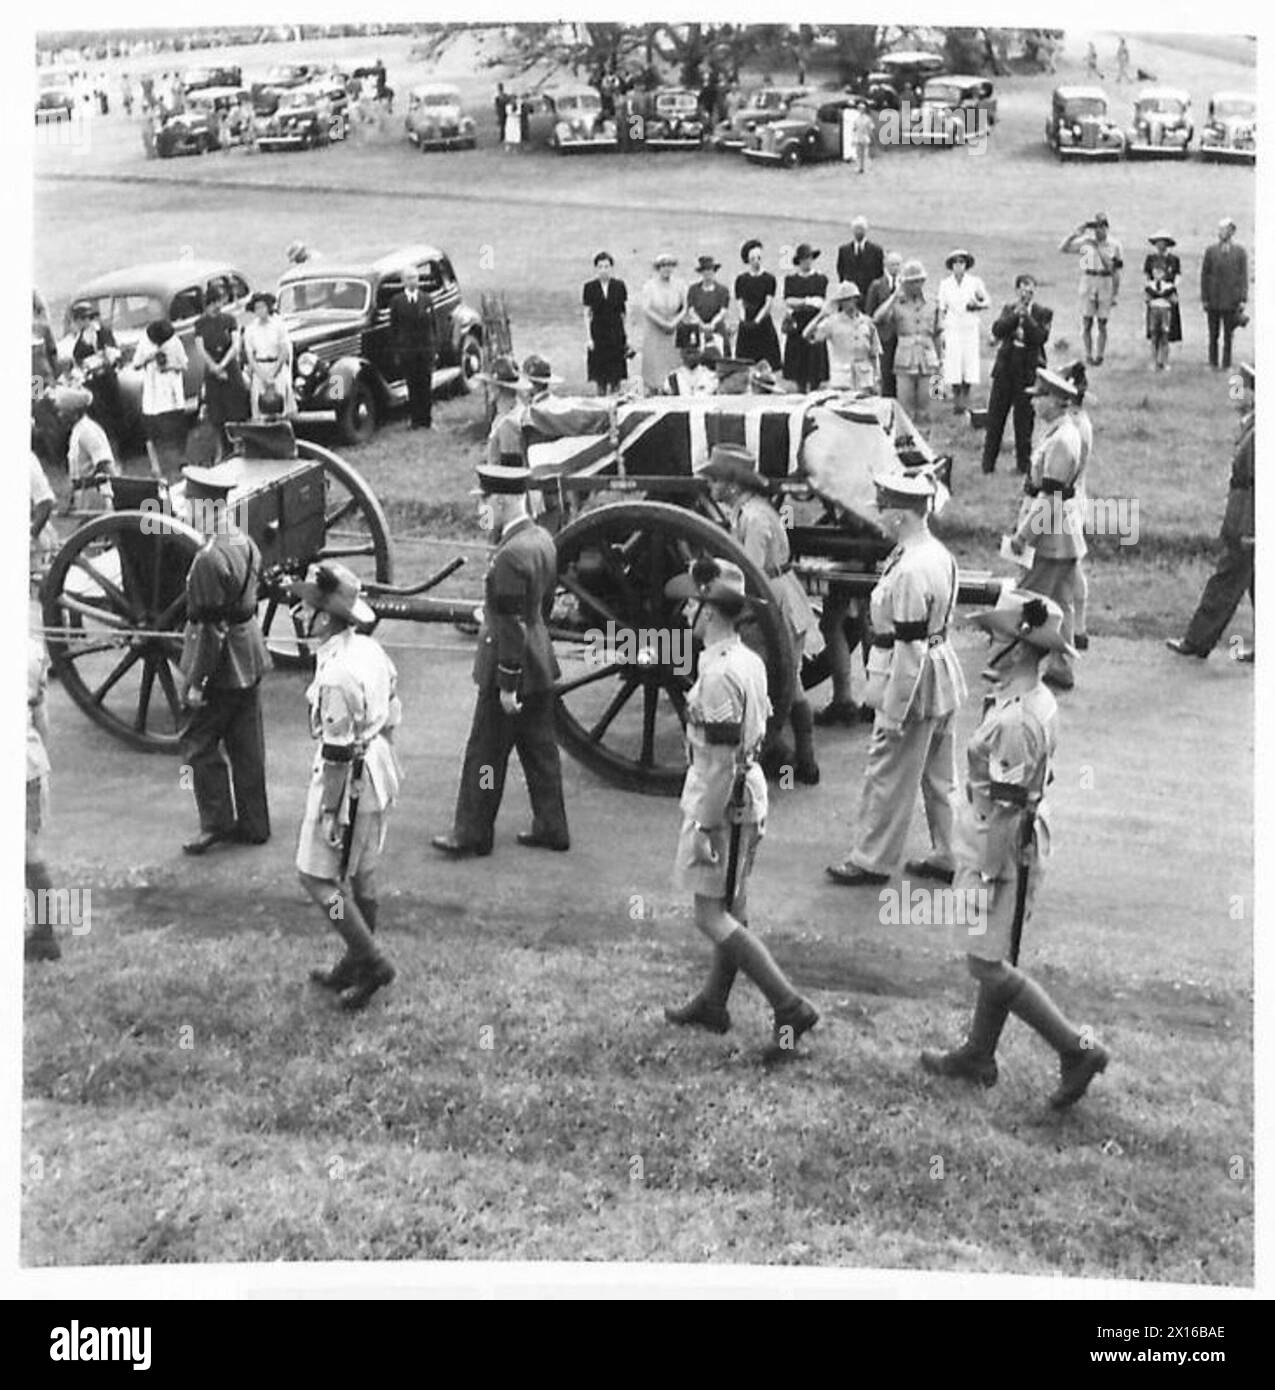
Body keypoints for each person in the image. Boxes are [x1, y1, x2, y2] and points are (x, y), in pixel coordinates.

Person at [920, 589, 1109, 1110]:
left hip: (1001, 844)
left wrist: (983, 873)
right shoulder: (1028, 702)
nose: (987, 648)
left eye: (997, 640)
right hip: (1009, 835)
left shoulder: (1014, 721)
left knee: (987, 964)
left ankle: (1076, 1048)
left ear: (1022, 650)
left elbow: (1004, 806)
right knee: (992, 952)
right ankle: (979, 1054)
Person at [661, 557, 819, 1052]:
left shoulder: (716, 677)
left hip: (723, 804)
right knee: (734, 905)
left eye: (692, 602)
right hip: (748, 796)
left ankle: (789, 1005)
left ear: (708, 612)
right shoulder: (746, 660)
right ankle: (714, 1001)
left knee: (709, 915)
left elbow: (718, 760)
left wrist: (705, 826)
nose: (687, 610)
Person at [827, 471, 967, 887]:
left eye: (884, 510)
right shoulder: (936, 553)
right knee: (941, 777)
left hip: (912, 680)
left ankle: (871, 860)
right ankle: (950, 853)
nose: (879, 518)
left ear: (902, 516)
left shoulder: (909, 569)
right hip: (941, 672)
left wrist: (894, 710)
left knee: (887, 774)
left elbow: (909, 648)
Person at [432, 459, 569, 858]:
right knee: (541, 752)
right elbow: (536, 608)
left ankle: (473, 831)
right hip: (541, 664)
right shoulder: (542, 539)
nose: (481, 509)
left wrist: (508, 683)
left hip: (509, 672)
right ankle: (552, 825)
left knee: (486, 758)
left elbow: (511, 624)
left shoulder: (509, 555)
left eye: (486, 500)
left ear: (506, 501)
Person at [289, 561, 400, 1012]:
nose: (299, 613)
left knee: (317, 878)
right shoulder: (369, 651)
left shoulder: (336, 674)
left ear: (325, 618)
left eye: (307, 606)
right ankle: (356, 961)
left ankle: (372, 960)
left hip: (349, 781)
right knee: (362, 874)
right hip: (378, 770)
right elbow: (393, 707)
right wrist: (385, 757)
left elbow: (335, 752)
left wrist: (333, 812)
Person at [703, 445, 820, 785]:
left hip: (773, 600)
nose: (711, 486)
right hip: (781, 595)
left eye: (716, 480)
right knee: (791, 683)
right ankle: (805, 763)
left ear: (734, 485)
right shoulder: (751, 511)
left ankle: (783, 762)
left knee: (775, 685)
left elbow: (749, 574)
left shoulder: (753, 518)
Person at [175, 465, 271, 856]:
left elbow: (210, 628)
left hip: (222, 665)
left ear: (204, 508)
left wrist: (196, 681)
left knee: (198, 743)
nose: (186, 512)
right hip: (249, 653)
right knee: (247, 743)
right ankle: (254, 823)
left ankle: (215, 823)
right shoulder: (245, 543)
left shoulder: (208, 559)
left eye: (190, 506)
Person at [1167, 363, 1255, 662]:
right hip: (1243, 513)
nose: (1234, 392)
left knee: (1225, 580)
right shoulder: (1250, 425)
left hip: (1248, 519)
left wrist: (1251, 529)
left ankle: (1197, 640)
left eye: (1240, 388)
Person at [1007, 369, 1088, 691]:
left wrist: (1024, 535)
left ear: (1055, 401)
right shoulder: (1061, 432)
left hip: (1050, 536)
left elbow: (1050, 498)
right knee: (1062, 602)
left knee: (1027, 600)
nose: (1034, 402)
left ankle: (1018, 667)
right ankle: (1061, 666)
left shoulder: (1061, 440)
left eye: (1039, 397)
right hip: (1062, 534)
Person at [982, 274, 1052, 475]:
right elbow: (998, 330)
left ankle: (1023, 466)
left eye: (1030, 290)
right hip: (1005, 371)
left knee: (1024, 423)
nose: (1026, 294)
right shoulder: (1008, 309)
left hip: (1027, 373)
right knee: (995, 419)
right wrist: (1015, 315)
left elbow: (1039, 337)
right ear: (1016, 290)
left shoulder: (1043, 313)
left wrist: (1027, 317)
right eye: (1023, 289)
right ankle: (988, 465)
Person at [872, 259, 940, 424]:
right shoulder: (897, 303)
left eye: (919, 281)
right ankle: (905, 444)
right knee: (904, 408)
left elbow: (938, 334)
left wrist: (940, 367)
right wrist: (894, 296)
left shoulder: (933, 303)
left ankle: (926, 443)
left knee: (929, 406)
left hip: (929, 360)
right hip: (904, 361)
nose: (916, 285)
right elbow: (877, 318)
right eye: (911, 282)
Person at [26, 637, 59, 962]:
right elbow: (41, 717)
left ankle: (45, 935)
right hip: (30, 762)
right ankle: (44, 933)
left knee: (29, 855)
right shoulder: (33, 650)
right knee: (30, 853)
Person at [1058, 361, 1095, 652]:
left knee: (1070, 566)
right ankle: (1077, 627)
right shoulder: (1077, 421)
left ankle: (1076, 627)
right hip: (1072, 498)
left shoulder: (1075, 426)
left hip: (1066, 501)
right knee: (1070, 566)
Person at [1059, 213, 1122, 367]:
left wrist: (1115, 293)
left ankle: (1100, 354)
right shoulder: (1086, 243)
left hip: (1105, 280)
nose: (1098, 231)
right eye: (1095, 228)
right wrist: (1075, 234)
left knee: (1102, 322)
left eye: (1101, 227)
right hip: (1088, 280)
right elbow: (1063, 248)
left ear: (1106, 228)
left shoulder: (1114, 245)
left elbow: (1115, 269)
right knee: (1086, 321)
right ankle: (1088, 353)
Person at [193, 282, 249, 456]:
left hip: (230, 367)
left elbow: (235, 344)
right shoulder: (200, 324)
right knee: (217, 411)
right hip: (212, 370)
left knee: (236, 406)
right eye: (213, 303)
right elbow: (200, 348)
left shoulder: (229, 320)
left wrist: (223, 364)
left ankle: (240, 444)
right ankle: (222, 448)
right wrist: (214, 367)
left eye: (219, 302)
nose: (217, 306)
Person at [132, 316, 188, 478]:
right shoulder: (144, 343)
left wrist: (169, 366)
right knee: (150, 430)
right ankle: (155, 464)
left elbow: (183, 365)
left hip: (171, 392)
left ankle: (181, 459)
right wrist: (150, 357)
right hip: (153, 394)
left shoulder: (175, 342)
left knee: (177, 428)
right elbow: (135, 364)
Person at [936, 249, 989, 412]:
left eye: (962, 263)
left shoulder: (975, 282)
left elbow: (986, 301)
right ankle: (956, 400)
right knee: (953, 362)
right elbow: (941, 306)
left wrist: (977, 305)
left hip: (969, 327)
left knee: (969, 362)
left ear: (966, 265)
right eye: (956, 263)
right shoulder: (945, 284)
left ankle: (965, 400)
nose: (959, 266)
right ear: (951, 266)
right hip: (952, 327)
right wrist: (940, 326)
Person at [805, 281, 881, 393]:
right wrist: (822, 314)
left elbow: (874, 353)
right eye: (843, 300)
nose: (847, 303)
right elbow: (807, 334)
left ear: (856, 300)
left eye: (850, 299)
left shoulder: (867, 322)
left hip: (865, 380)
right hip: (842, 379)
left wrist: (877, 378)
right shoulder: (832, 322)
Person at [67, 301, 126, 446]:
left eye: (81, 319)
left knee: (112, 413)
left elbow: (111, 354)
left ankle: (118, 445)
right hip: (91, 382)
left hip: (105, 379)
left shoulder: (101, 332)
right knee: (99, 416)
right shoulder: (80, 336)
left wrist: (94, 362)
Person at [389, 264, 437, 429]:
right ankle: (415, 420)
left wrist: (433, 349)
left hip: (425, 350)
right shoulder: (397, 302)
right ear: (403, 281)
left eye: (415, 277)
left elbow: (433, 326)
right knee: (412, 385)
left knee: (426, 384)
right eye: (409, 278)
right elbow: (394, 329)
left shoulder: (426, 299)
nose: (413, 281)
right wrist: (398, 352)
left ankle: (427, 419)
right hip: (408, 352)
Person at [1200, 217, 1248, 371]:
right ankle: (1212, 362)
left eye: (1225, 229)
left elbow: (1243, 276)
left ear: (1232, 232)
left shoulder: (1240, 252)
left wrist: (1242, 298)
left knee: (1228, 335)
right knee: (1213, 334)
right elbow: (1204, 275)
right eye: (1220, 229)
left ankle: (1226, 364)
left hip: (1231, 301)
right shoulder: (1211, 251)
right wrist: (1205, 298)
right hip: (1214, 299)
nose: (1222, 233)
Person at [59, 386, 117, 513]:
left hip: (95, 495)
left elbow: (105, 464)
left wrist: (116, 494)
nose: (60, 415)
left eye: (63, 411)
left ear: (75, 412)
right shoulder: (77, 431)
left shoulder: (88, 431)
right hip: (83, 495)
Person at [780, 243, 828, 392]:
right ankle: (801, 389)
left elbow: (820, 302)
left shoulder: (820, 279)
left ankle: (814, 389)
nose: (807, 262)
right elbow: (789, 301)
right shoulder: (791, 280)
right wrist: (806, 301)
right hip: (797, 325)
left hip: (814, 324)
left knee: (815, 363)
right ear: (799, 261)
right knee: (798, 366)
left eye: (809, 258)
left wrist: (802, 302)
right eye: (804, 259)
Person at [242, 291, 295, 422]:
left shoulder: (278, 325)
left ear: (268, 307)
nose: (260, 311)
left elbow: (284, 351)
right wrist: (262, 375)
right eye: (257, 308)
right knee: (259, 407)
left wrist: (273, 373)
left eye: (262, 307)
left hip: (277, 368)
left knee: (280, 407)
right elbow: (250, 356)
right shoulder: (250, 329)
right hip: (260, 369)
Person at [582, 250, 629, 395]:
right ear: (596, 269)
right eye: (600, 267)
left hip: (616, 334)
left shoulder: (619, 286)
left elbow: (623, 313)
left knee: (616, 378)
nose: (604, 270)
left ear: (611, 268)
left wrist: (625, 336)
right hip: (598, 335)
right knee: (600, 378)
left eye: (607, 266)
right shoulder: (590, 287)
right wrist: (589, 337)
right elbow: (587, 313)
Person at [640, 254, 687, 393]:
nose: (666, 269)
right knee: (655, 373)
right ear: (658, 268)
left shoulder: (680, 285)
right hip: (655, 332)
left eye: (669, 266)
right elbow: (646, 309)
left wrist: (674, 322)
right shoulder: (649, 286)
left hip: (673, 333)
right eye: (663, 266)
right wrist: (662, 323)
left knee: (673, 371)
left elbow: (685, 307)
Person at [733, 239, 781, 370]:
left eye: (759, 257)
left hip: (763, 323)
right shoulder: (741, 280)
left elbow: (768, 303)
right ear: (748, 260)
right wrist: (744, 321)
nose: (756, 261)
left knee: (767, 363)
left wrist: (757, 321)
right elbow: (740, 303)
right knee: (745, 363)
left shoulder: (769, 279)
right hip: (747, 323)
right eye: (753, 258)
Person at [865, 251, 903, 398]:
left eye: (898, 264)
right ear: (885, 265)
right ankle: (887, 399)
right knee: (886, 370)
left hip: (902, 334)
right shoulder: (877, 285)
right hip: (884, 335)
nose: (896, 267)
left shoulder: (906, 284)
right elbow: (870, 313)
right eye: (893, 264)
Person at [1142, 232, 1181, 372]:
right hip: (1154, 301)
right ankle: (1153, 360)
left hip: (1168, 299)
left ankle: (1164, 361)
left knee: (1166, 333)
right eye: (1158, 242)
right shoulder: (1150, 259)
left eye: (1163, 242)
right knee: (1154, 333)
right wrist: (1151, 291)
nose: (1160, 245)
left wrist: (1170, 290)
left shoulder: (1174, 259)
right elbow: (1146, 277)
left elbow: (1177, 277)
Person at [684, 254, 731, 355]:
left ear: (714, 271)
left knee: (722, 353)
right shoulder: (693, 290)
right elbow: (691, 310)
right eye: (705, 270)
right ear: (701, 273)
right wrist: (702, 325)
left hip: (717, 327)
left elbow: (723, 311)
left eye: (710, 270)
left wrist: (712, 324)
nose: (708, 273)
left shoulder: (722, 290)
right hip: (698, 327)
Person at [835, 215, 885, 300]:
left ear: (866, 230)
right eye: (856, 229)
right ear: (852, 230)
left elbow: (879, 272)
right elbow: (840, 269)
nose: (858, 231)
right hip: (850, 294)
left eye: (861, 229)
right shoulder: (844, 250)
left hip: (869, 293)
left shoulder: (876, 250)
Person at [665, 325, 718, 397]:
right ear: (681, 353)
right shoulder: (672, 379)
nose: (692, 356)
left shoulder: (711, 377)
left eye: (695, 352)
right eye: (689, 352)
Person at [849, 100, 874, 174]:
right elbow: (854, 129)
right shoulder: (856, 118)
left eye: (862, 108)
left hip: (865, 137)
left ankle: (865, 168)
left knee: (865, 154)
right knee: (858, 154)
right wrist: (853, 138)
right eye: (859, 108)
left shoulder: (868, 118)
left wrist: (870, 136)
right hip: (858, 137)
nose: (861, 110)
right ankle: (859, 167)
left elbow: (871, 128)